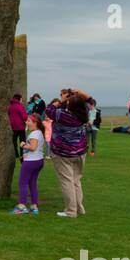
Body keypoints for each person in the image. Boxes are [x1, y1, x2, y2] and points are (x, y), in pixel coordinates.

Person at [47, 90, 90, 218]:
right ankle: (79, 208)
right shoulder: (84, 114)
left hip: (62, 153)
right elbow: (89, 100)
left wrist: (63, 100)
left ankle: (71, 211)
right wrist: (79, 93)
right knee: (76, 180)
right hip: (80, 152)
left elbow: (49, 109)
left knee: (67, 181)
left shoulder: (62, 115)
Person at [11, 113, 45, 216]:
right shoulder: (39, 132)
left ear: (35, 123)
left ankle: (22, 206)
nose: (26, 122)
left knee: (22, 183)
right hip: (39, 161)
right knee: (32, 183)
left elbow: (33, 147)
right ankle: (34, 206)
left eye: (29, 121)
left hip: (31, 162)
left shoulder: (34, 134)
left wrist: (23, 145)